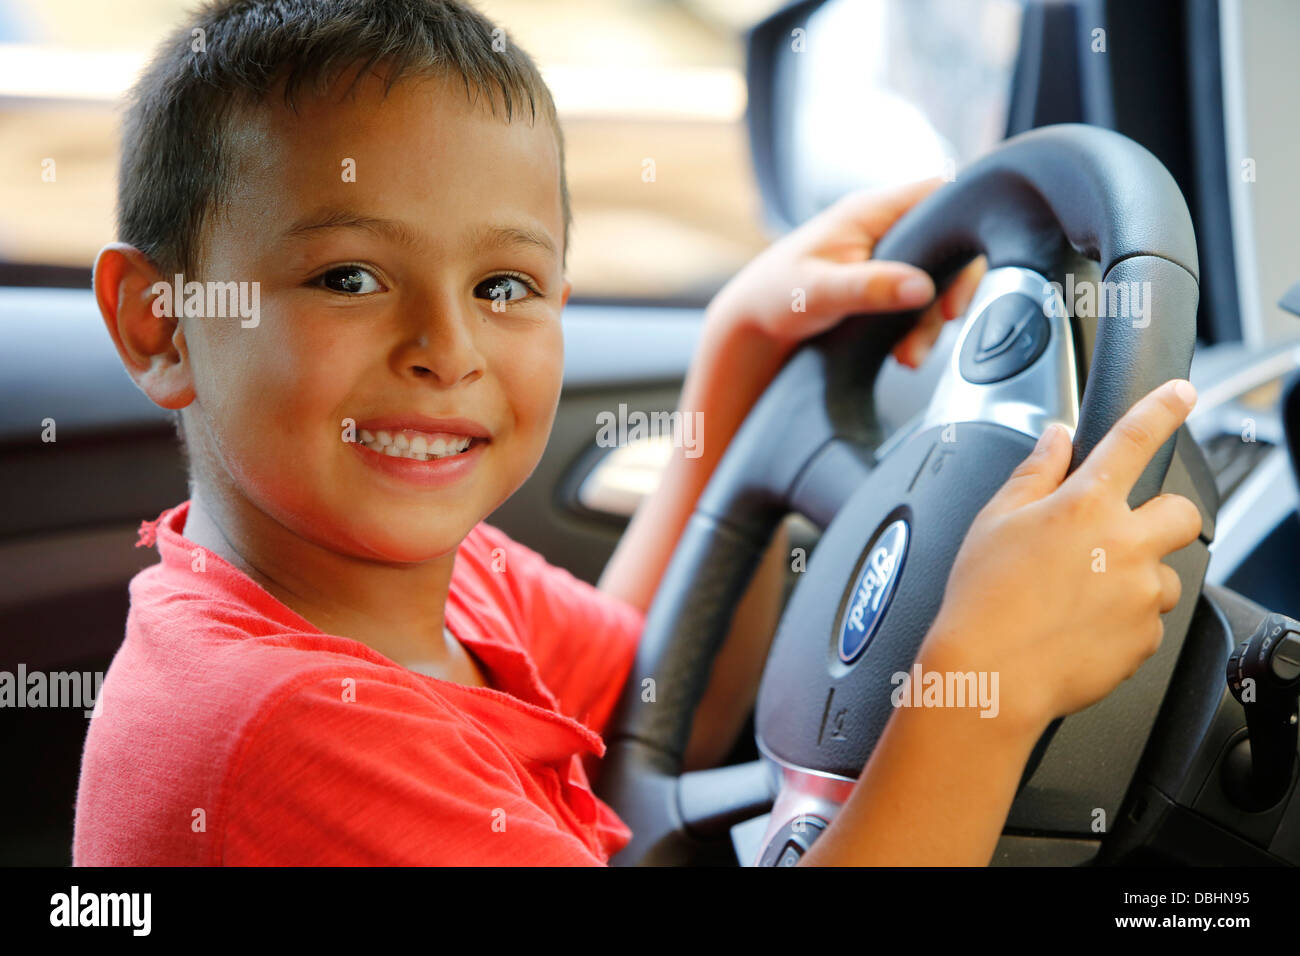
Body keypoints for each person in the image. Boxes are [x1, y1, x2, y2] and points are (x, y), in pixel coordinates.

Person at [75, 0, 1201, 866]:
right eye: (351, 275)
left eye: (506, 283)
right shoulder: (290, 731)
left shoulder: (430, 583)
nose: (447, 346)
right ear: (160, 321)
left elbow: (661, 703)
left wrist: (733, 367)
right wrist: (978, 687)